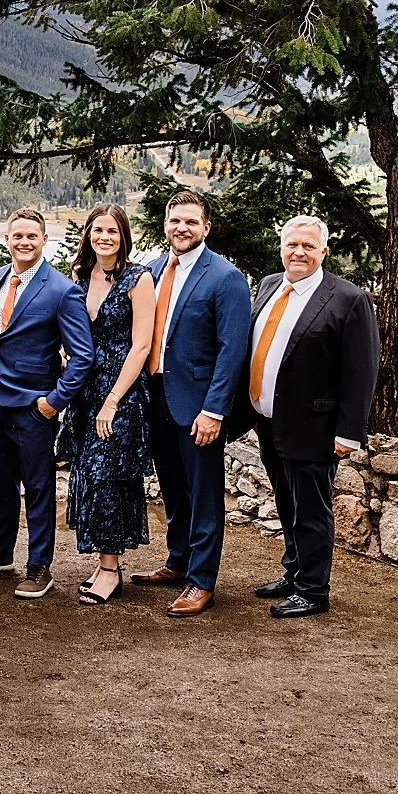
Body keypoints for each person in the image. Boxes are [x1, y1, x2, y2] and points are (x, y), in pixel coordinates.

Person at [239, 215, 379, 618]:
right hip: (268, 420)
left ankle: (314, 591)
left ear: (324, 251)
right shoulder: (268, 285)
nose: (298, 252)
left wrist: (349, 433)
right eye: (291, 245)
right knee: (286, 502)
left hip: (315, 427)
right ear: (282, 248)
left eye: (308, 246)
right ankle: (294, 573)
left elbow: (361, 371)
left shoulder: (348, 299)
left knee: (312, 511)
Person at [129, 189, 253, 619]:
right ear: (166, 224)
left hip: (198, 403)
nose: (181, 228)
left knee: (202, 494)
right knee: (172, 489)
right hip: (156, 396)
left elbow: (232, 350)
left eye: (191, 221)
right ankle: (177, 560)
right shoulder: (153, 269)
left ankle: (201, 581)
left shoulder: (225, 277)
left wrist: (214, 410)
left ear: (206, 227)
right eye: (175, 221)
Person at [0, 207, 93, 600]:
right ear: (7, 239)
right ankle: (1, 549)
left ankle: (40, 564)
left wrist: (53, 402)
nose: (24, 242)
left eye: (32, 236)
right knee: (0, 480)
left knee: (39, 486)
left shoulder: (62, 290)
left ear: (44, 240)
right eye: (17, 236)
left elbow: (82, 357)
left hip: (34, 406)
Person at [62, 204, 155, 607]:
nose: (104, 237)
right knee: (89, 473)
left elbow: (143, 345)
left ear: (123, 237)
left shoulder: (139, 278)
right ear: (88, 234)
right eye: (97, 230)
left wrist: (113, 400)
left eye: (112, 231)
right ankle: (102, 562)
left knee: (108, 477)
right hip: (84, 391)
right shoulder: (80, 276)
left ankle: (111, 570)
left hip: (121, 393)